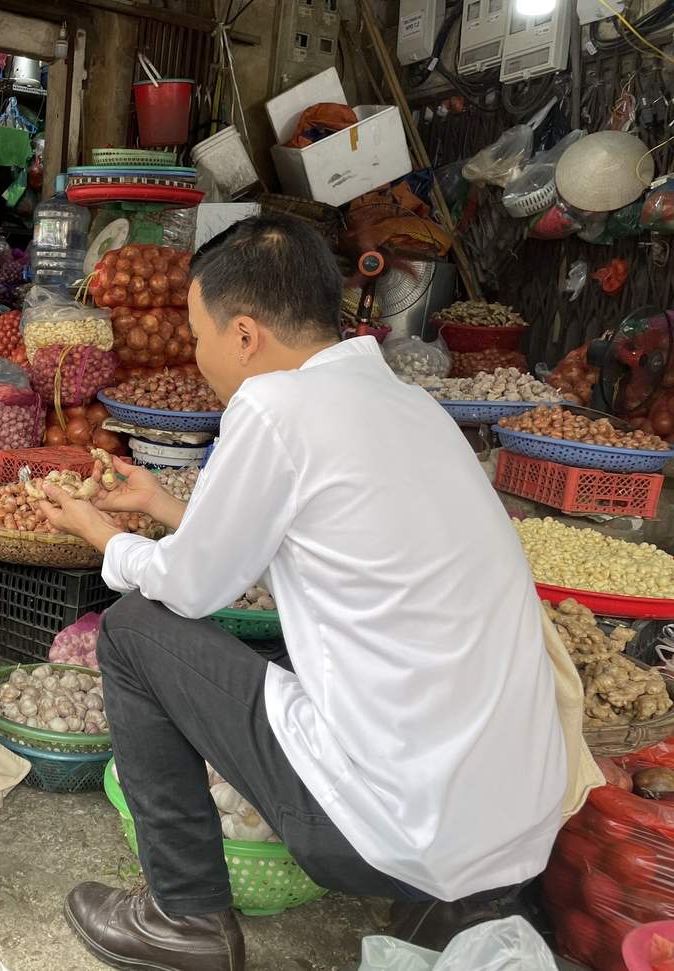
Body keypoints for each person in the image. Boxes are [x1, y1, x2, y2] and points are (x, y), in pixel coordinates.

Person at [37, 214, 600, 971]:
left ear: (243, 335)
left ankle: (185, 916)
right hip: (511, 836)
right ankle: (449, 906)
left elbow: (195, 588)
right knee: (272, 640)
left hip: (392, 831)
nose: (199, 356)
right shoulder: (412, 408)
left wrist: (103, 538)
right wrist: (167, 510)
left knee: (135, 626)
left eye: (199, 334)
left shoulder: (274, 406)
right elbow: (323, 549)